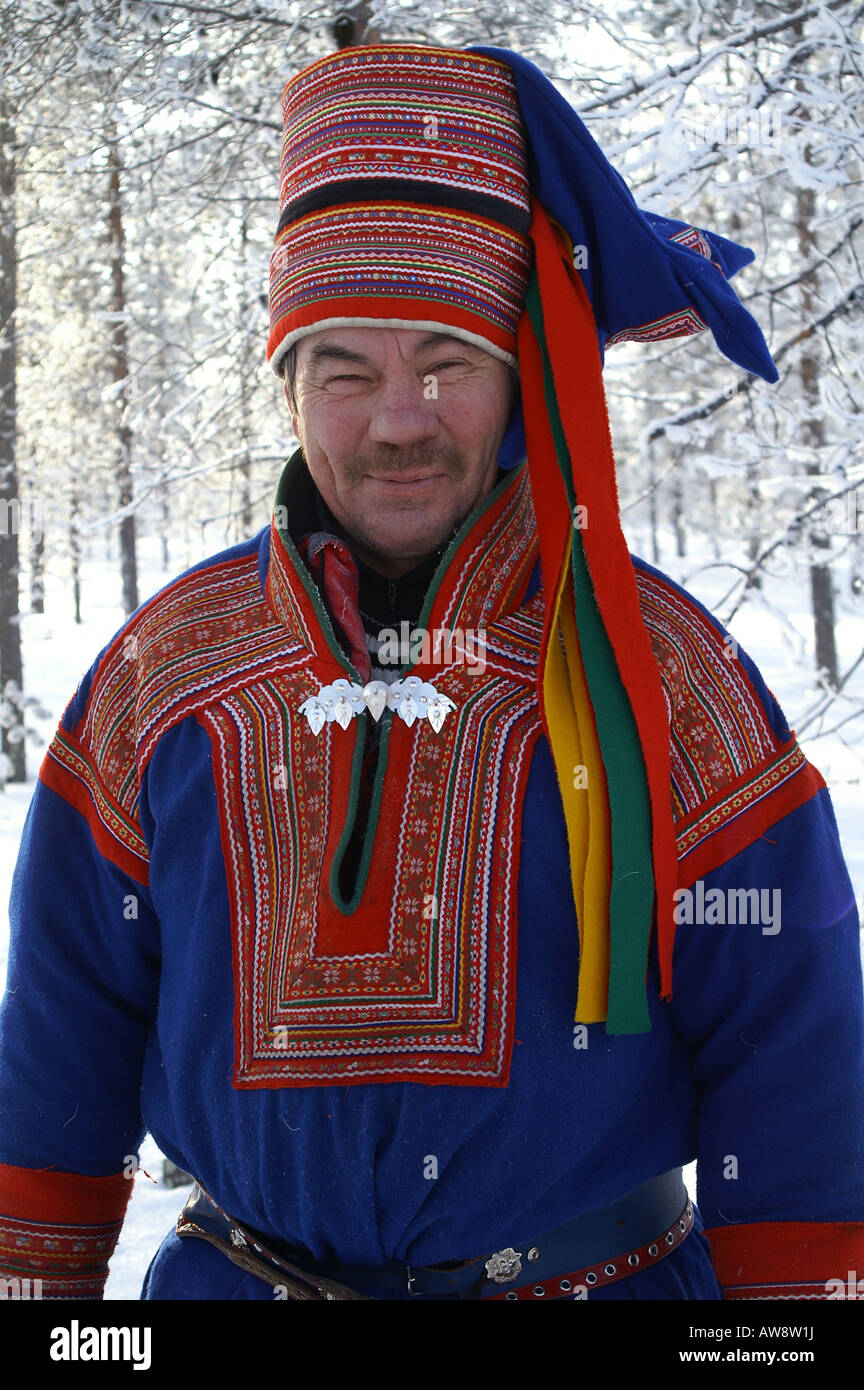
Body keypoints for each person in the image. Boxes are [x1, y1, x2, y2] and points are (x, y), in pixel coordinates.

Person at [1, 40, 862, 1303]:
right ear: (289, 388)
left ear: (523, 372)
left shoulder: (660, 673)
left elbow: (792, 1043)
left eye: (447, 363)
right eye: (344, 370)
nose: (399, 417)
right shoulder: (165, 673)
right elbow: (63, 1024)